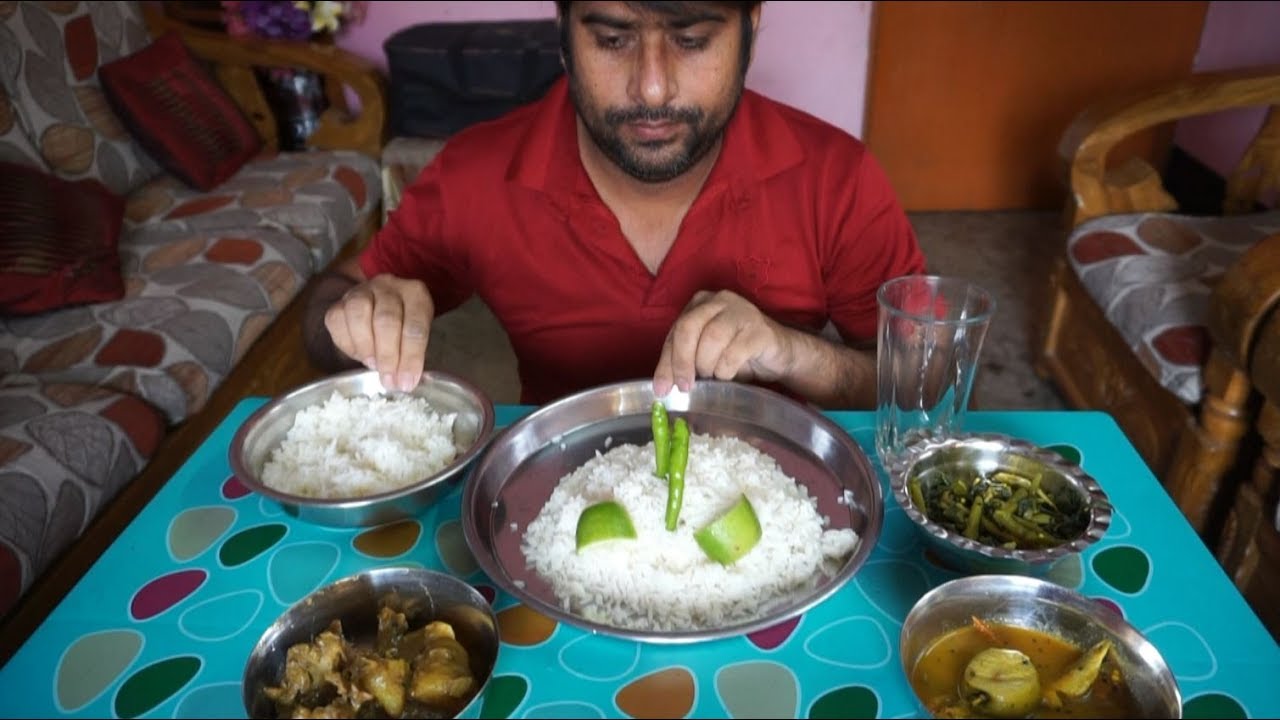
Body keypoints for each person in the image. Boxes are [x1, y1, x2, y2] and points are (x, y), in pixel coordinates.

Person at [304, 0, 925, 408]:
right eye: (611, 39)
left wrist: (793, 353)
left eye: (691, 40)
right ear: (563, 32)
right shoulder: (478, 172)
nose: (651, 87)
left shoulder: (836, 177)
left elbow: (929, 378)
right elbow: (326, 310)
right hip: (558, 510)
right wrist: (356, 322)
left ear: (751, 28)